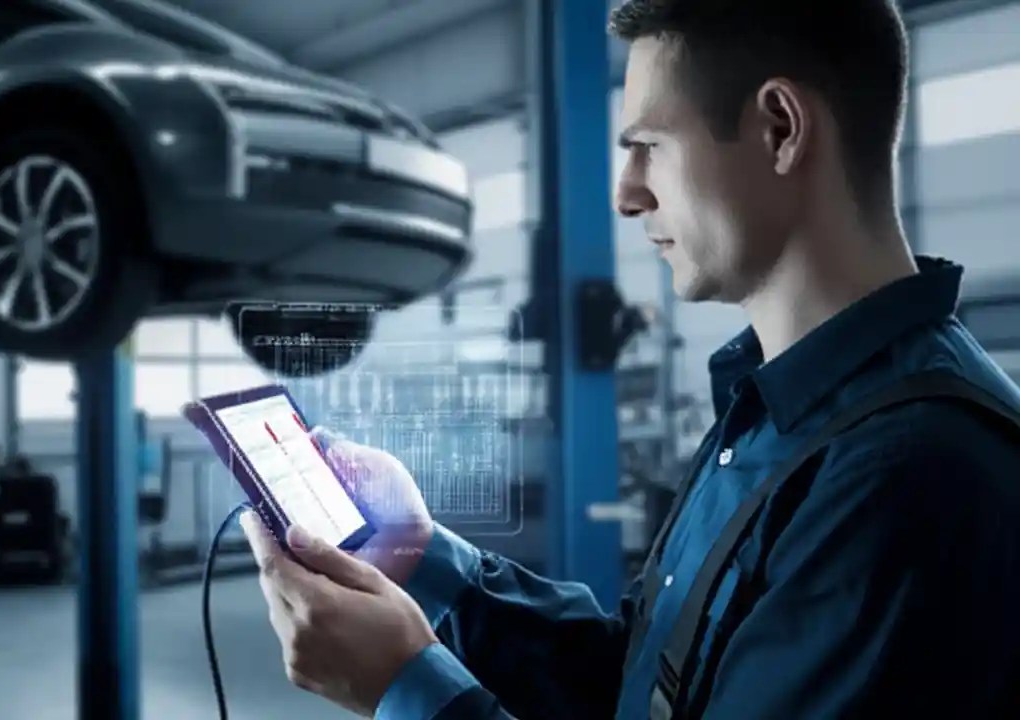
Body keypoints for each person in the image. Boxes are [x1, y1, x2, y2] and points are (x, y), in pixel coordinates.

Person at [239, 0, 1020, 717]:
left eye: (649, 146)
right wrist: (424, 557)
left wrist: (407, 686)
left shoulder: (907, 475)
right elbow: (648, 679)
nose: (625, 194)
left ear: (781, 129)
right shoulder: (775, 413)